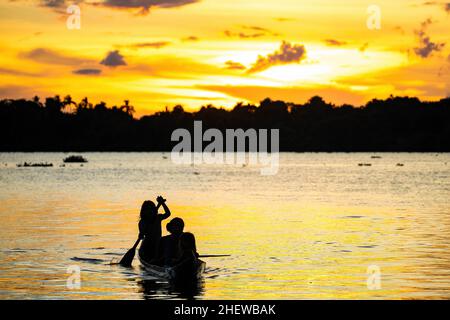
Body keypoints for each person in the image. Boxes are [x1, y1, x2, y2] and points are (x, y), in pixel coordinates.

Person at [138, 196, 171, 261]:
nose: (149, 211)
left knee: (164, 241)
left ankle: (158, 259)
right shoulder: (142, 222)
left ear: (154, 210)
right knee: (151, 247)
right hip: (148, 243)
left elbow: (168, 213)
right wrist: (141, 235)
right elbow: (142, 235)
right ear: (143, 211)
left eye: (151, 209)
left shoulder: (158, 218)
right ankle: (152, 259)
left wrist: (162, 203)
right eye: (147, 210)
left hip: (158, 242)